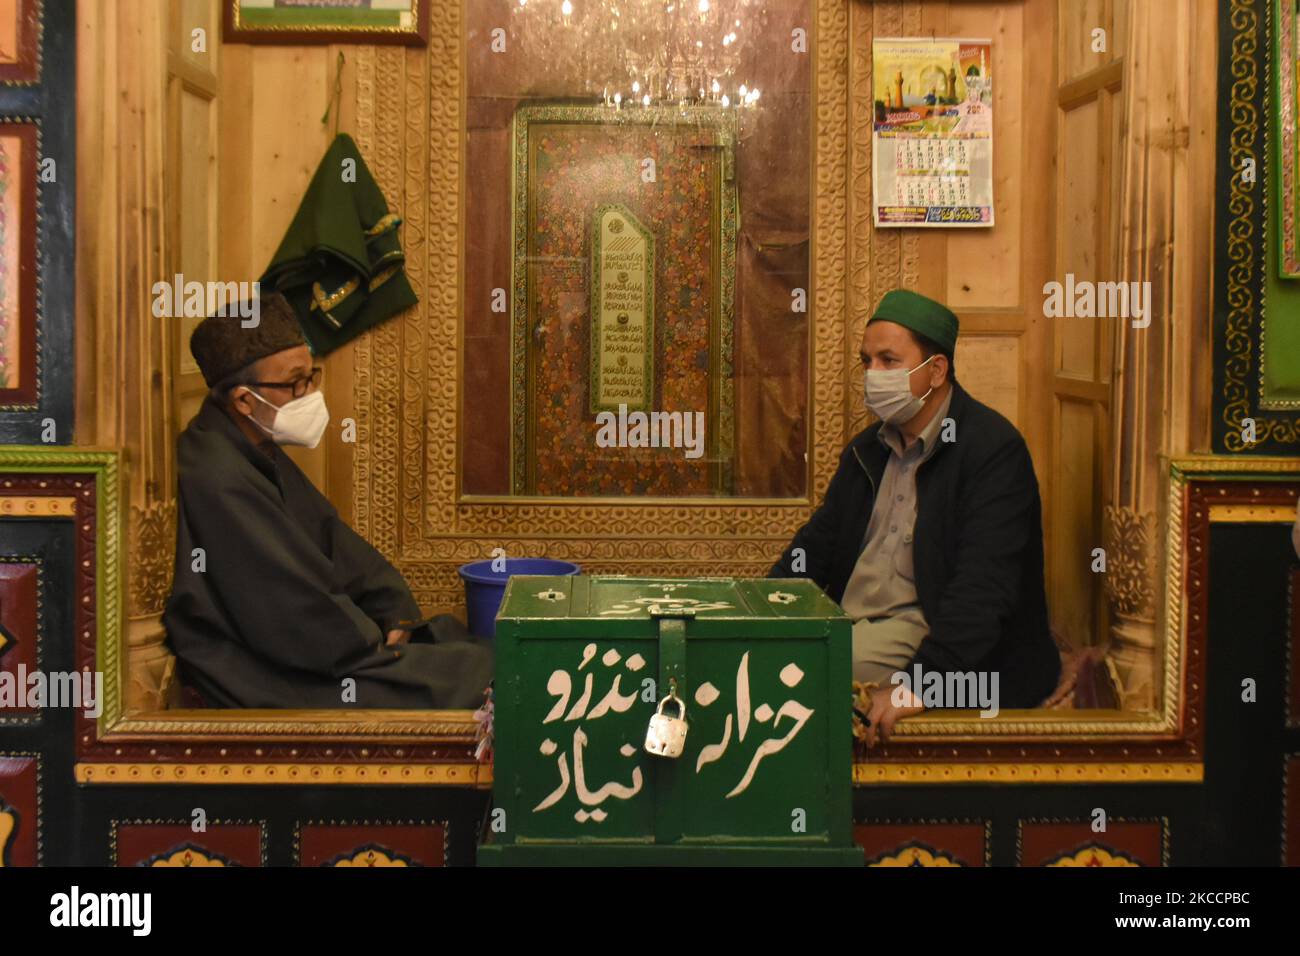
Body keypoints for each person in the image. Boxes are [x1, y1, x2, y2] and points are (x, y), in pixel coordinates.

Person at [163, 294, 493, 709]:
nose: (309, 394)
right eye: (293, 383)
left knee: (450, 638)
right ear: (244, 400)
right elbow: (287, 606)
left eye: (311, 377)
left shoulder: (252, 443)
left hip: (324, 641)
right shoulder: (214, 474)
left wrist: (391, 607)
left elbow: (329, 536)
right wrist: (370, 641)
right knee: (470, 677)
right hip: (264, 667)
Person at [771, 289, 1060, 744]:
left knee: (798, 670)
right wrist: (760, 613)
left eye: (889, 360)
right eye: (866, 362)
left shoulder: (992, 452)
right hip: (852, 622)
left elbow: (983, 592)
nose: (873, 375)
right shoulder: (867, 451)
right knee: (761, 652)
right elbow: (814, 549)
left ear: (937, 371)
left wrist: (923, 684)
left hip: (931, 635)